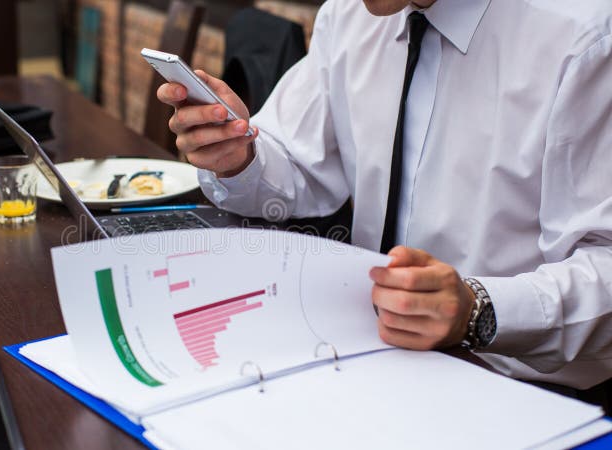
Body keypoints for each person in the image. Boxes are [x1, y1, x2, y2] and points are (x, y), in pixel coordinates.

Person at [156, 0, 612, 392]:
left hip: (525, 390)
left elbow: (604, 265)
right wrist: (239, 154)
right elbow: (296, 164)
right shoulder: (352, 15)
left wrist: (478, 311)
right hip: (363, 359)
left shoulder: (583, 34)